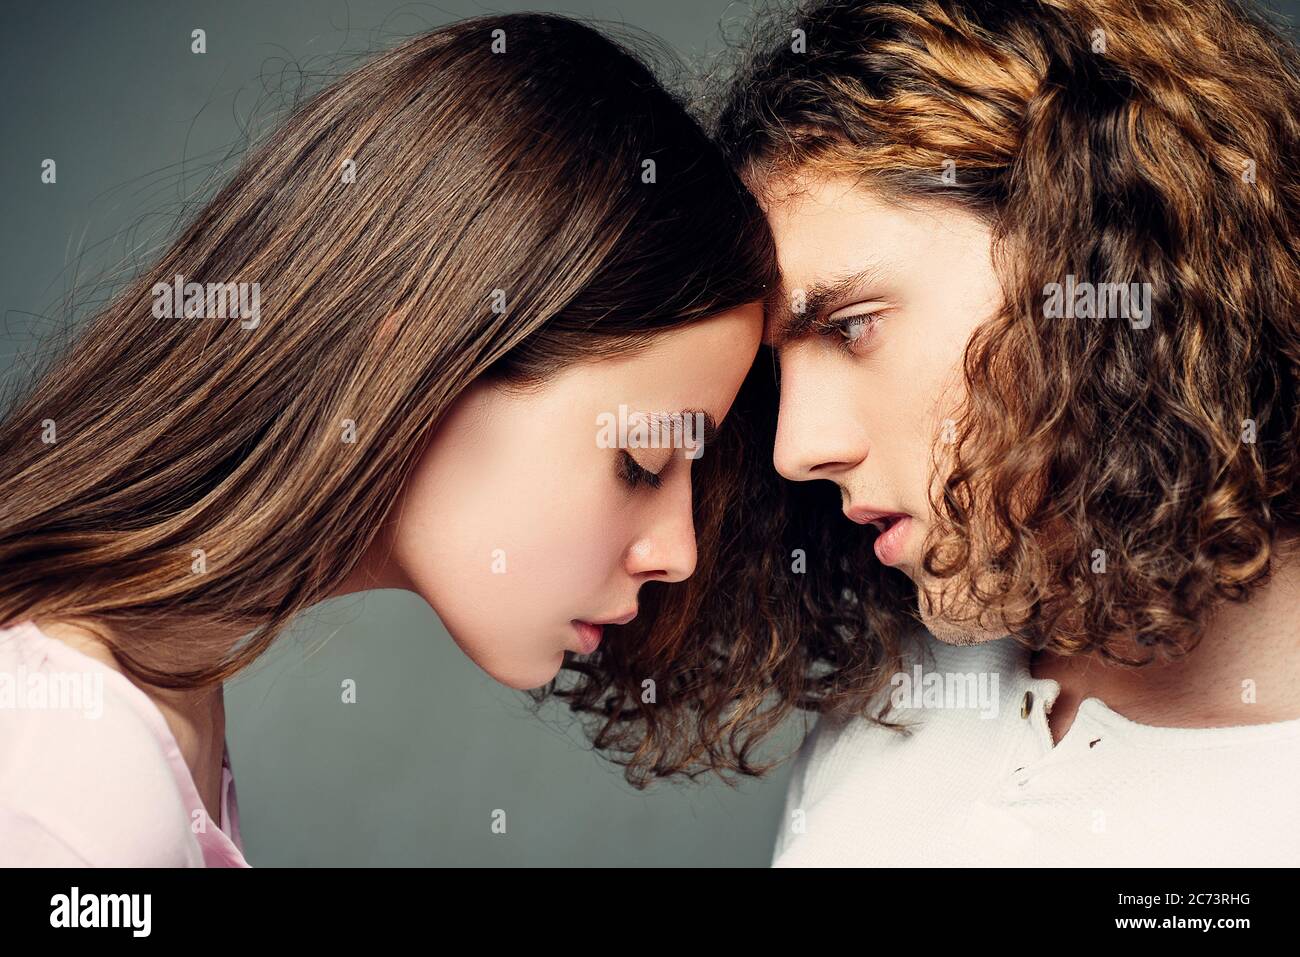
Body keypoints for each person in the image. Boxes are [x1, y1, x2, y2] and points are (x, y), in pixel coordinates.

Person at [0, 12, 779, 866]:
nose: (678, 551)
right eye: (642, 463)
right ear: (416, 362)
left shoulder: (153, 695)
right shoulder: (70, 776)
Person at [712, 0, 1300, 865]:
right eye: (777, 371)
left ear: (1102, 251)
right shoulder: (893, 699)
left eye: (852, 324)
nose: (796, 449)